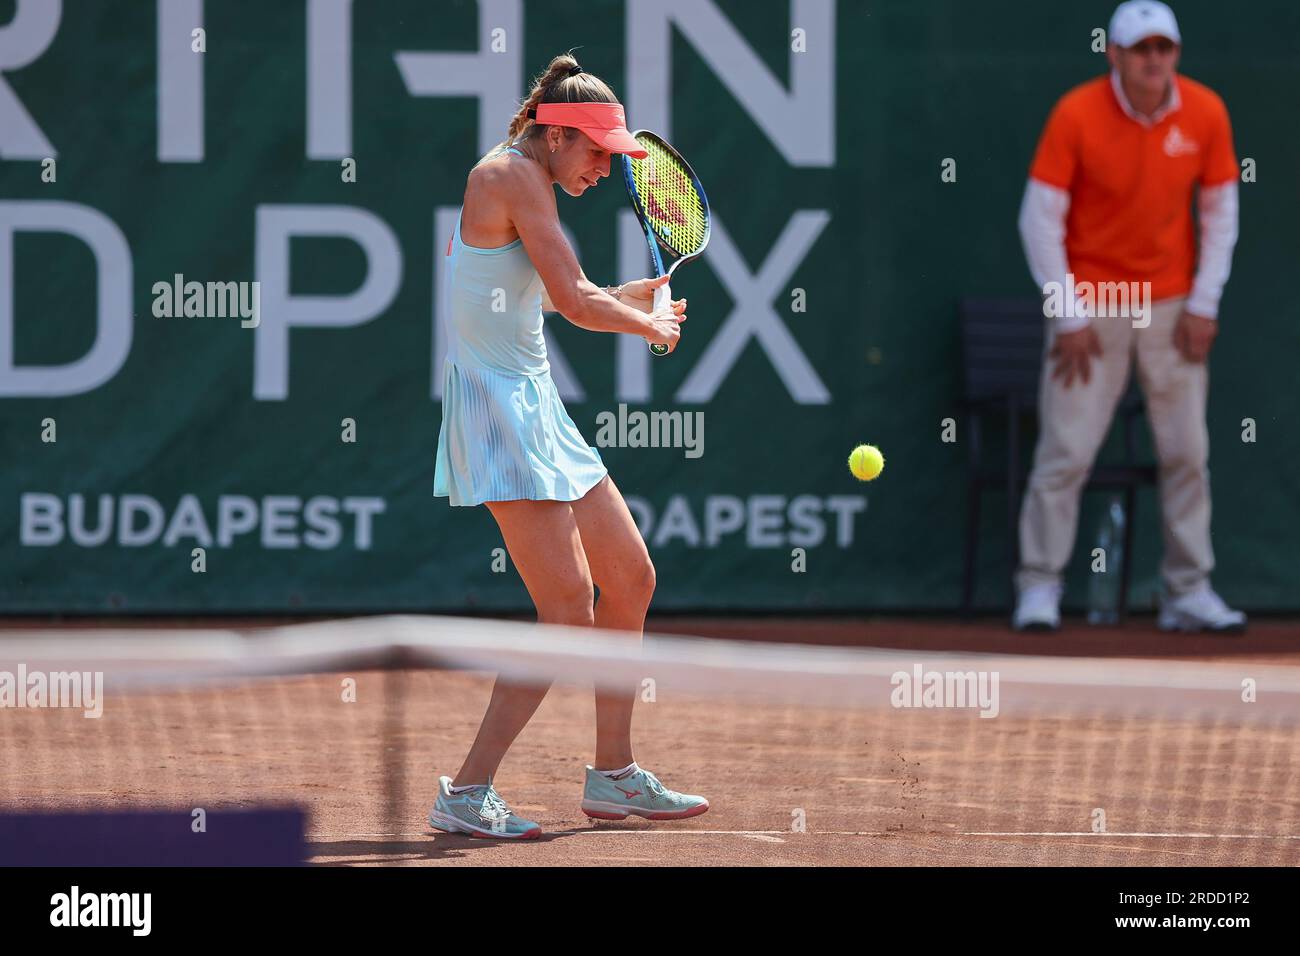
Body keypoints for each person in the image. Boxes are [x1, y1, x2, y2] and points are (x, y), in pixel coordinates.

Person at [428, 54, 709, 838]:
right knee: (565, 609)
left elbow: (542, 303)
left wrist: (628, 299)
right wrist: (638, 320)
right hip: (496, 411)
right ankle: (466, 791)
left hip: (537, 404)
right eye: (596, 153)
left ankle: (615, 775)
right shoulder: (507, 175)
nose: (605, 170)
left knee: (631, 578)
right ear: (553, 136)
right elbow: (571, 302)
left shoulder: (533, 181)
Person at [1013, 1, 1246, 633]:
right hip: (1092, 304)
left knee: (1186, 453)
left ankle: (1187, 592)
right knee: (1066, 451)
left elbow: (1221, 213)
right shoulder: (1075, 114)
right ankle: (1039, 587)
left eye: (1163, 48)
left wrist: (1203, 302)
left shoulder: (1206, 112)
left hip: (1172, 306)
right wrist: (1067, 314)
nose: (1154, 60)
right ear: (1113, 55)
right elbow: (1039, 220)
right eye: (1140, 49)